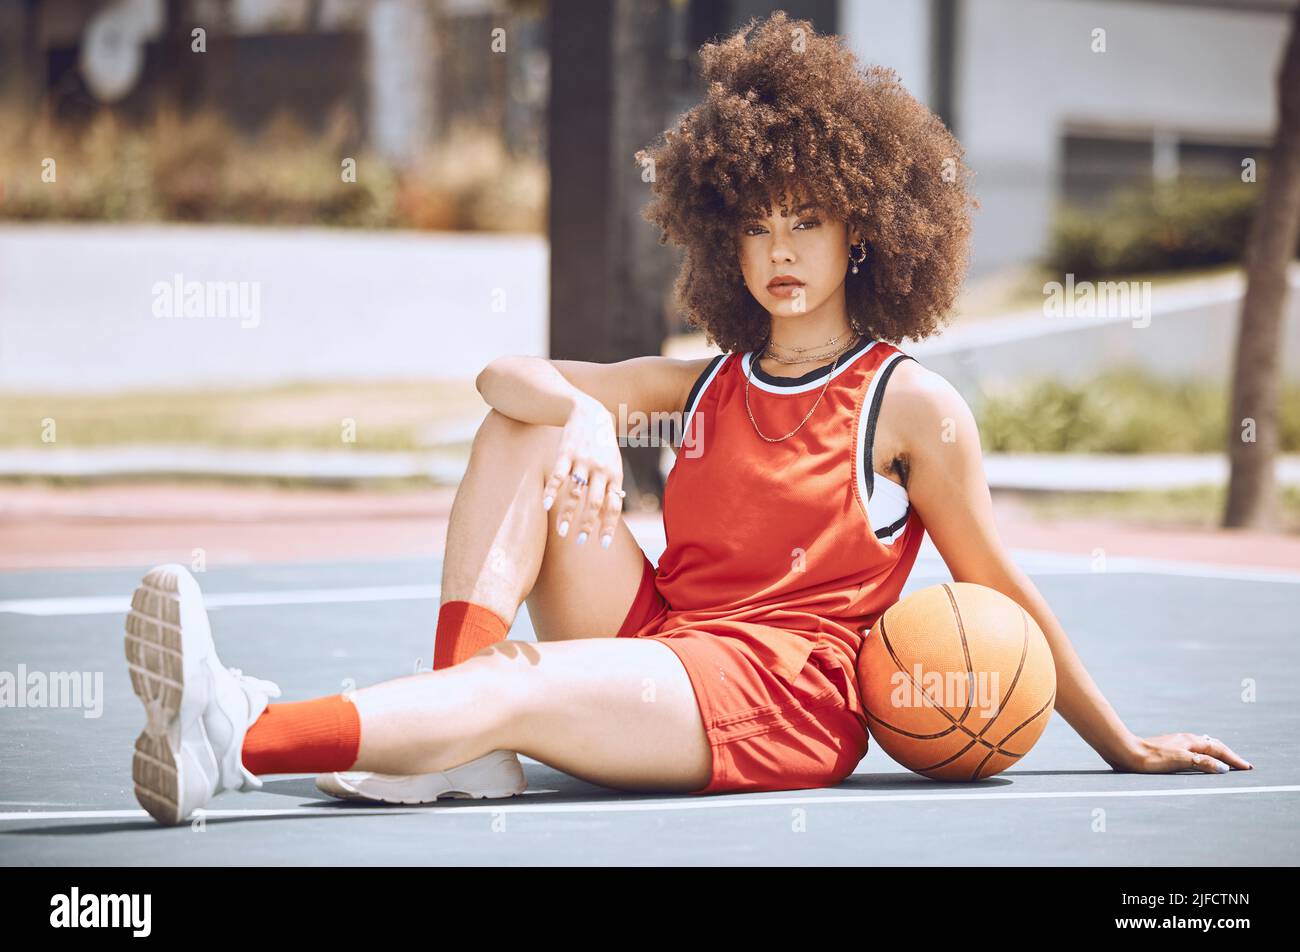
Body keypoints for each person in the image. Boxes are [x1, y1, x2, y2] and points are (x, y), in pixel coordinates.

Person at [123, 12, 1249, 826]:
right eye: (755, 227)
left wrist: (1123, 745)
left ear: (862, 230)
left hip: (771, 700)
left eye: (806, 221)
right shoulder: (703, 385)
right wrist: (575, 417)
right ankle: (452, 751)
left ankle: (239, 740)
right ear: (725, 239)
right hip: (660, 634)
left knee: (518, 685)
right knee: (521, 428)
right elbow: (501, 377)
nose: (779, 252)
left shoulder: (907, 405)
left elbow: (999, 585)